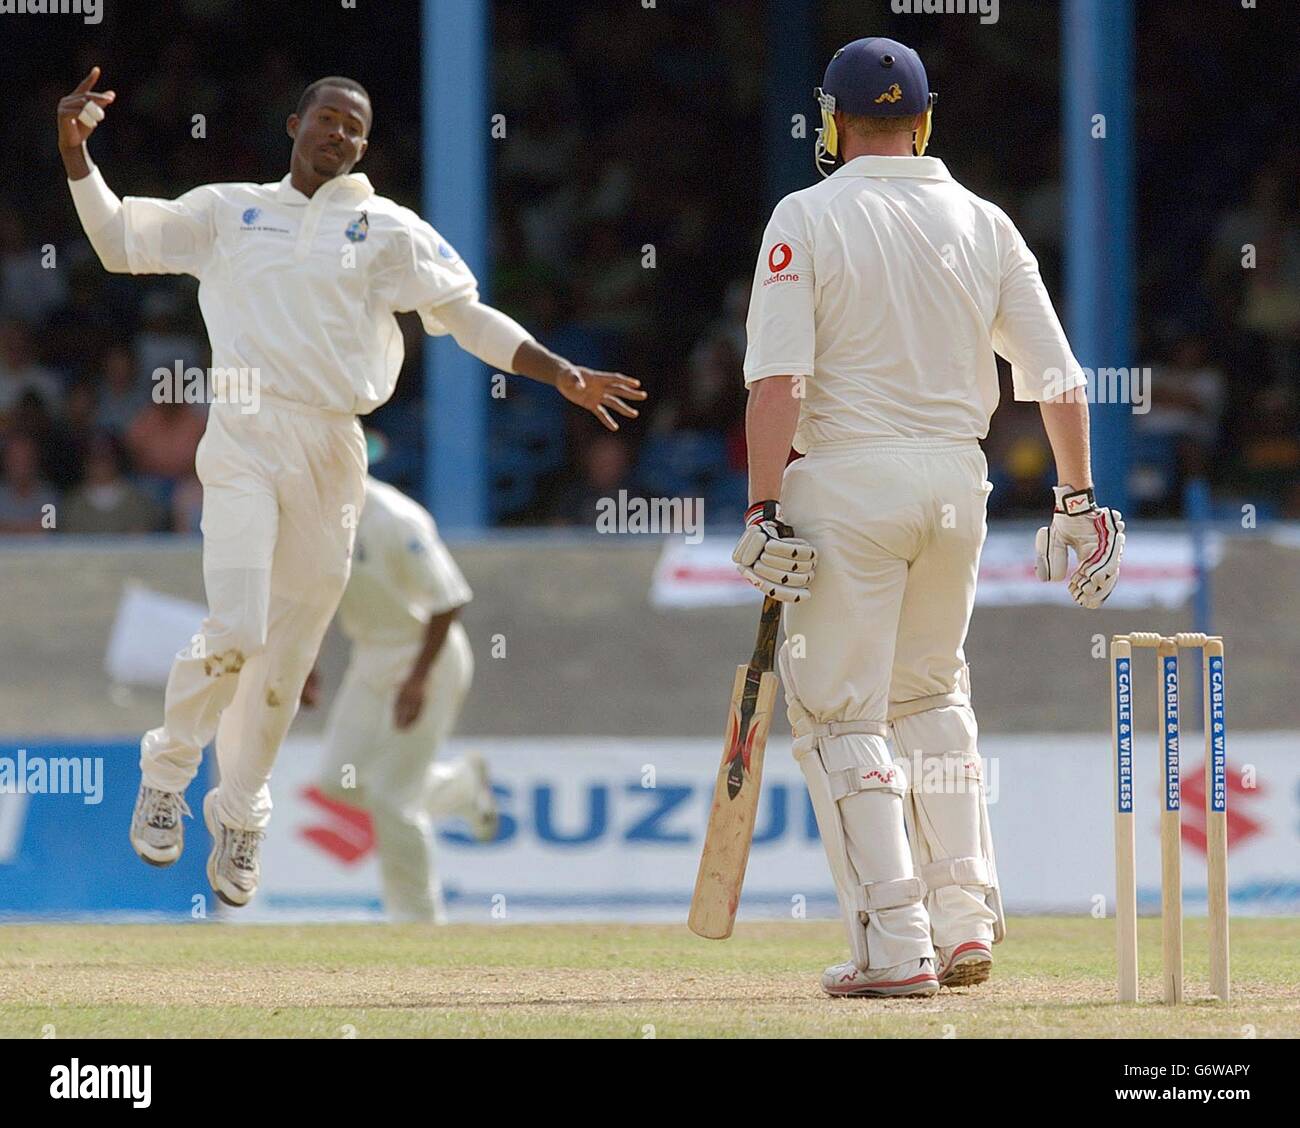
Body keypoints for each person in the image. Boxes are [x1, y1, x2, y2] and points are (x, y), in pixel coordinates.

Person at [59, 67, 645, 907]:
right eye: (327, 119)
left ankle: (242, 811)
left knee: (287, 654)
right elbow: (119, 242)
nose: (339, 135)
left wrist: (558, 373)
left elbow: (465, 313)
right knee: (237, 620)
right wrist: (78, 157)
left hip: (334, 447)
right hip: (244, 428)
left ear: (364, 147)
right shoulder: (228, 211)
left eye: (355, 129)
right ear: (295, 122)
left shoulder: (387, 230)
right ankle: (168, 772)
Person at [734, 38, 1124, 998]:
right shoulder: (983, 220)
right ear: (926, 118)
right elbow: (1058, 378)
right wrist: (1077, 500)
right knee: (931, 699)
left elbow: (778, 381)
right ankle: (964, 922)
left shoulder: (805, 215)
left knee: (840, 713)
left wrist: (763, 508)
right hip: (958, 484)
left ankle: (891, 944)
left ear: (830, 122)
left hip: (849, 484)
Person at [304, 474, 494, 923]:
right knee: (336, 780)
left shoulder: (397, 518)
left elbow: (450, 599)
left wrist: (418, 678)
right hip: (370, 657)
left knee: (393, 800)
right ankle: (459, 786)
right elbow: (316, 595)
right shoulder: (312, 519)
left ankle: (418, 924)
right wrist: (306, 661)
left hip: (426, 656)